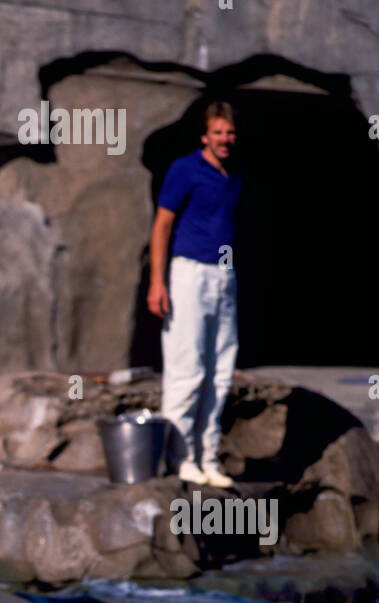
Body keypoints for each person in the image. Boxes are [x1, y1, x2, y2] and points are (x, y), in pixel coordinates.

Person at [147, 102, 241, 489]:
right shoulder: (185, 170)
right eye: (218, 132)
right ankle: (180, 456)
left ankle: (209, 456)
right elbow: (162, 225)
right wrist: (158, 281)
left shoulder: (232, 175)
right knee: (187, 367)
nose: (225, 139)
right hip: (188, 272)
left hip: (224, 273)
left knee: (220, 369)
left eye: (230, 132)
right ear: (205, 136)